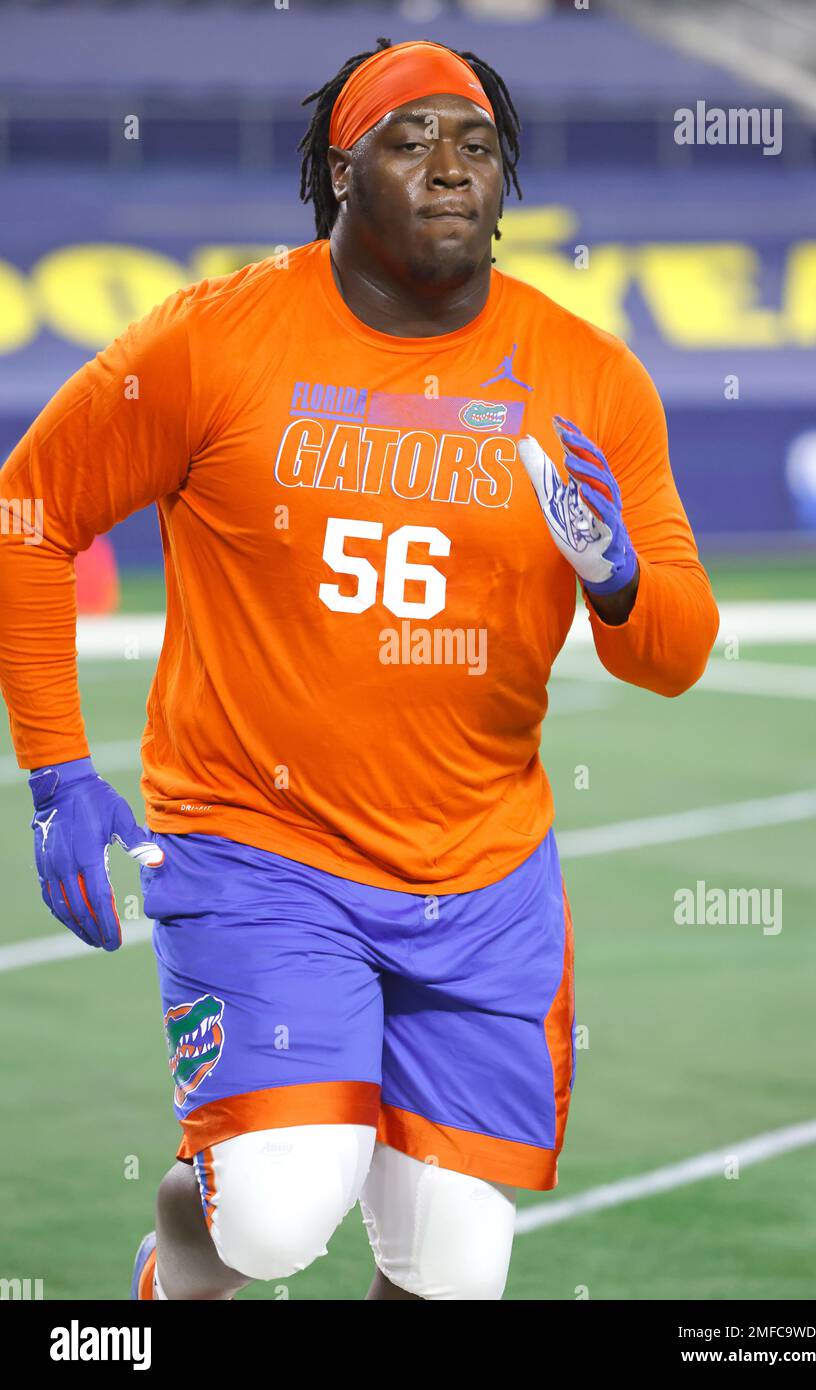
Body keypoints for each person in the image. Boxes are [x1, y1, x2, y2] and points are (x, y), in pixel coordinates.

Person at [0, 38, 719, 1301]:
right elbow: (30, 512)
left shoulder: (590, 380)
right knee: (277, 1212)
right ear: (340, 172)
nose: (450, 168)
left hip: (482, 873)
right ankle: (177, 1250)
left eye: (478, 145)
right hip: (260, 845)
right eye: (411, 139)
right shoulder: (211, 341)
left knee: (455, 1267)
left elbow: (674, 653)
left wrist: (616, 583)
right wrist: (57, 767)